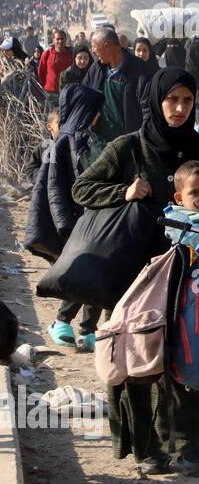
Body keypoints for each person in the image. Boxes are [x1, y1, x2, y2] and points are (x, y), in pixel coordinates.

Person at [72, 68, 199, 477]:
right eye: (172, 100)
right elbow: (81, 188)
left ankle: (188, 445)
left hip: (187, 269)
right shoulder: (127, 148)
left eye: (187, 101)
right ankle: (147, 448)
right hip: (134, 271)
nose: (179, 108)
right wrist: (124, 192)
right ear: (156, 101)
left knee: (185, 351)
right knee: (137, 355)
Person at [43, 85, 106, 351]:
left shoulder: (93, 141)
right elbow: (54, 188)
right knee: (83, 273)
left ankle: (88, 330)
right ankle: (62, 321)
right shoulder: (63, 143)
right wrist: (63, 224)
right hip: (76, 221)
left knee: (101, 272)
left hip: (96, 217)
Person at [83, 26, 153, 141]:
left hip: (130, 143)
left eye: (95, 47)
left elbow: (148, 110)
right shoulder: (97, 69)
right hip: (100, 141)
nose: (93, 51)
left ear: (107, 46)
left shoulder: (139, 70)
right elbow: (84, 95)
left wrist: (142, 139)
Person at [162, 160, 199, 249]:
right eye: (195, 193)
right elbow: (191, 239)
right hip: (192, 261)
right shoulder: (176, 218)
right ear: (179, 199)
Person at [37, 28, 73, 94]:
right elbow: (41, 72)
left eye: (62, 39)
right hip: (50, 92)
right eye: (58, 39)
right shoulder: (47, 54)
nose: (60, 41)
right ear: (53, 40)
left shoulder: (71, 54)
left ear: (66, 40)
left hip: (67, 91)